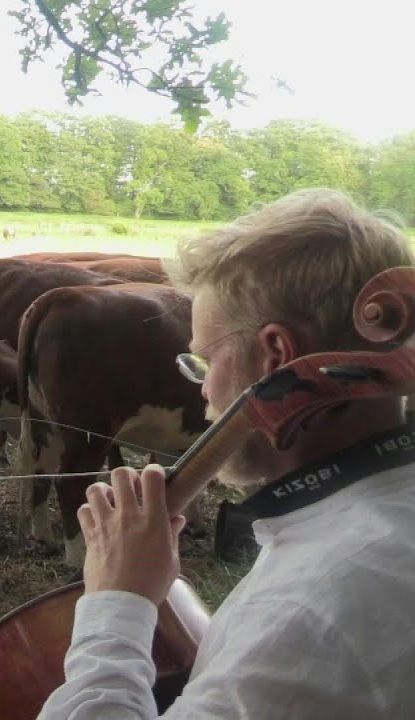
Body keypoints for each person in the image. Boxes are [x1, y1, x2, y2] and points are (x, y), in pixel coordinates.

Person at [39, 188, 415, 718]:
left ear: (275, 357)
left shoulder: (313, 606)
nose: (204, 391)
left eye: (204, 361)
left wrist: (116, 599)